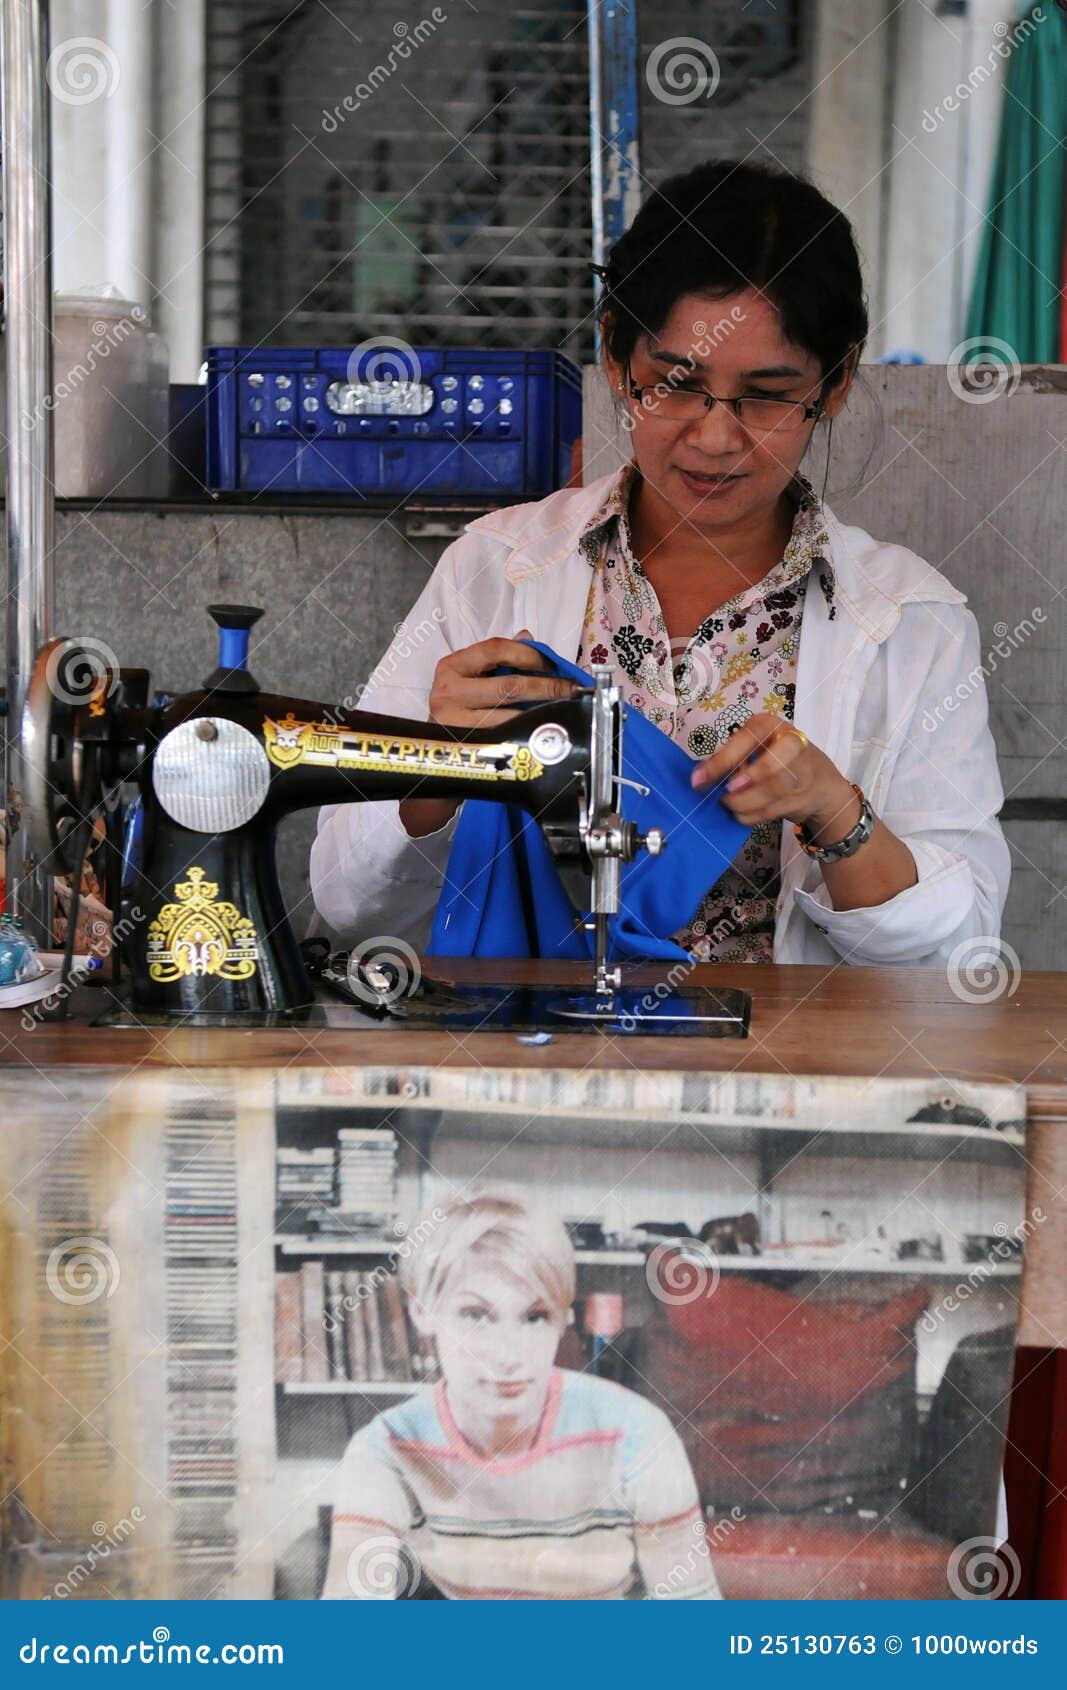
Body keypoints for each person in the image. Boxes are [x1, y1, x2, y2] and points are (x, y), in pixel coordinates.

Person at [311, 158, 1009, 966]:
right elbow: (346, 901)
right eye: (675, 384)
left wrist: (834, 815)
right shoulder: (492, 570)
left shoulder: (913, 623)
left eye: (768, 395)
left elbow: (963, 951)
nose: (715, 438)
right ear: (615, 356)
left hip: (792, 1076)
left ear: (836, 382)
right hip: (533, 1068)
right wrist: (438, 764)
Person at [321, 1187, 719, 1599]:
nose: (508, 1356)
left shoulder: (637, 1435)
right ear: (422, 1311)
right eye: (476, 1315)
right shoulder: (384, 1449)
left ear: (565, 1317)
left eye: (535, 1316)